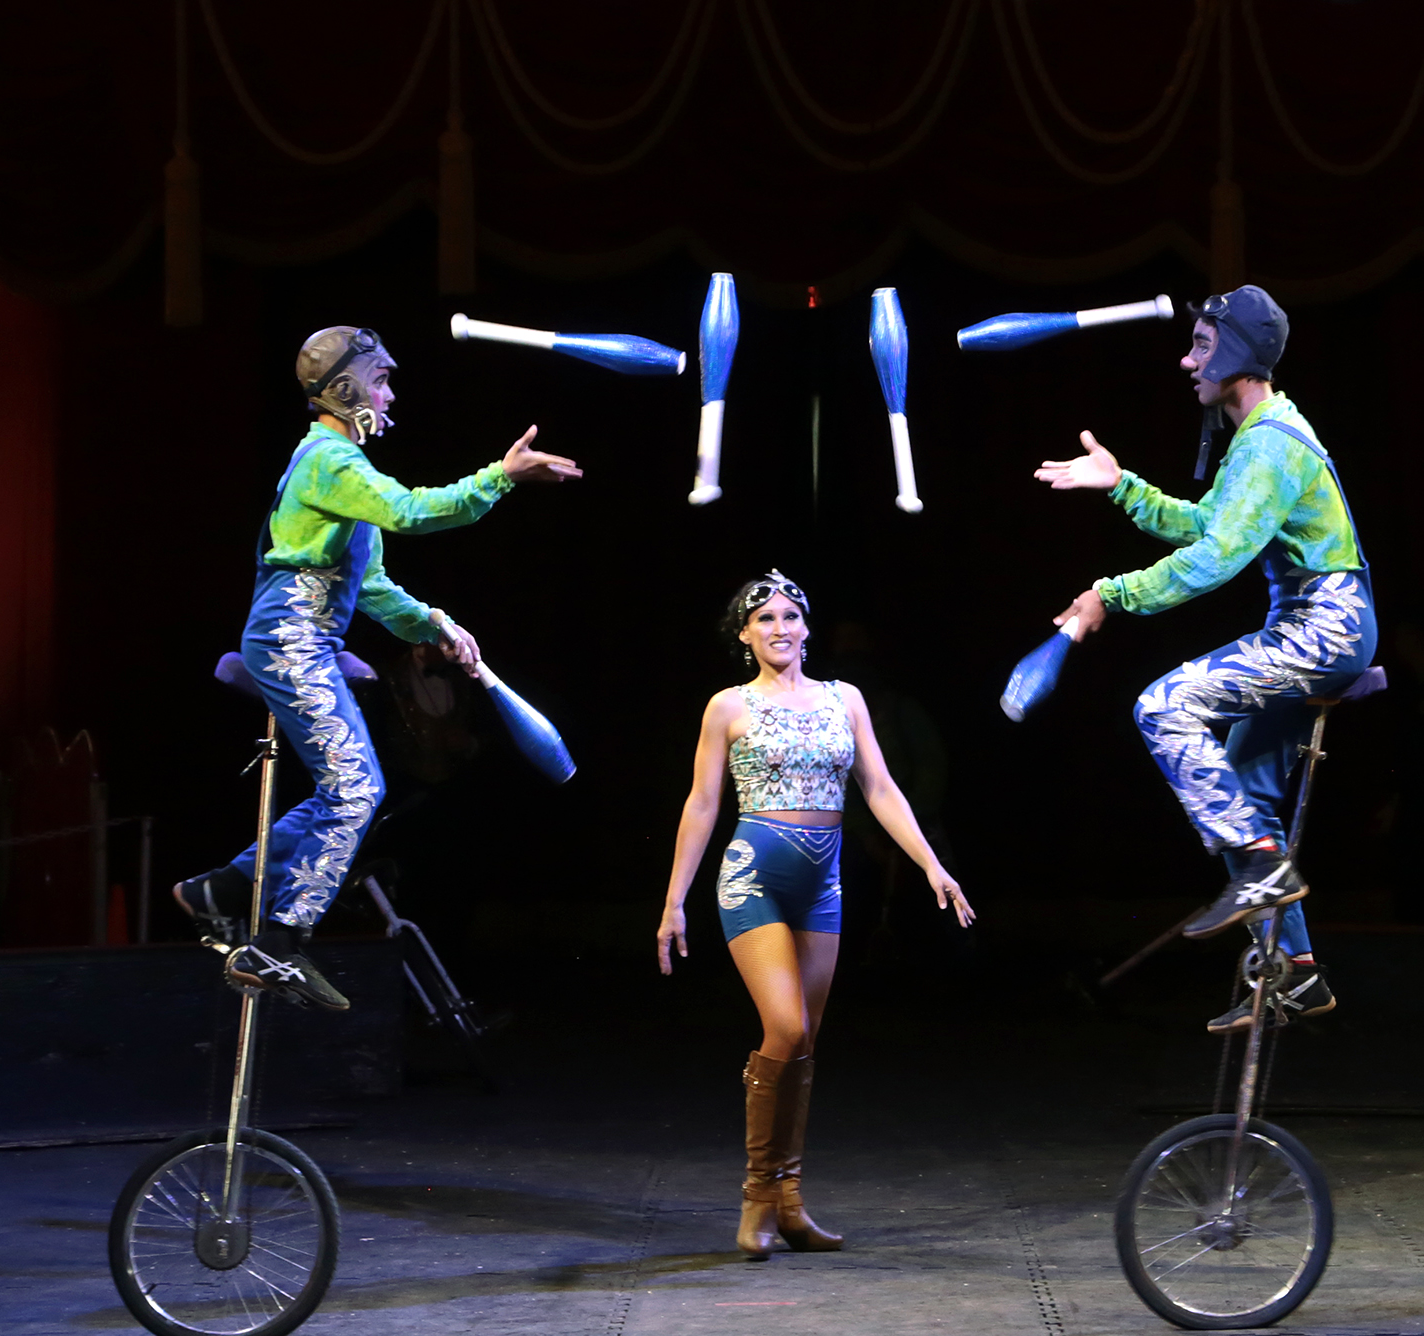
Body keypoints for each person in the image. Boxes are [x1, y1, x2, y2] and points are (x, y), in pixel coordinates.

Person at [173, 326, 580, 1009]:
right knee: (356, 789)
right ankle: (276, 942)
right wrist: (500, 477)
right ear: (347, 389)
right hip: (288, 640)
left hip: (308, 641)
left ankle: (219, 890)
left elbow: (375, 587)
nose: (390, 396)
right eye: (382, 381)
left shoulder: (341, 470)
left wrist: (438, 625)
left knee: (354, 788)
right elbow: (412, 510)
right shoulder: (330, 461)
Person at [1033, 285, 1374, 1032]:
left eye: (1203, 348)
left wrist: (1107, 595)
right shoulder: (1259, 437)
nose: (1188, 361)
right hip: (1316, 622)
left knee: (1162, 705)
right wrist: (1119, 484)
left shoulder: (1270, 443)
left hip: (1327, 627)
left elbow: (1216, 557)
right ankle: (1299, 973)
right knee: (1242, 788)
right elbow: (1206, 525)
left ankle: (1260, 869)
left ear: (1242, 356)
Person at [656, 571, 974, 1260]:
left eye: (791, 615)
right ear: (744, 634)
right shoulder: (728, 706)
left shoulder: (844, 699)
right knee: (786, 1025)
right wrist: (675, 898)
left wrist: (929, 863)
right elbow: (702, 803)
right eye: (764, 618)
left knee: (805, 1045)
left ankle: (790, 1199)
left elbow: (881, 787)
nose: (780, 627)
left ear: (807, 627)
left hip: (822, 884)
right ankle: (756, 1195)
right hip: (754, 879)